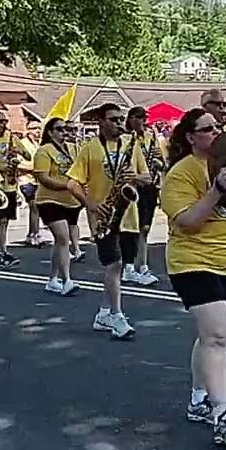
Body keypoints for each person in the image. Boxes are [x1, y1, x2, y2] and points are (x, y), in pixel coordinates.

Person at [161, 107, 226, 447]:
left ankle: (199, 397)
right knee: (218, 334)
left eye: (218, 127)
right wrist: (214, 190)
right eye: (208, 128)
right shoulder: (180, 174)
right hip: (192, 261)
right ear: (191, 137)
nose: (216, 132)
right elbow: (187, 222)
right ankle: (223, 415)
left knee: (209, 336)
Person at [66, 103, 150, 340]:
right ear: (101, 122)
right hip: (104, 217)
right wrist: (91, 204)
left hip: (128, 216)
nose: (118, 123)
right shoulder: (90, 148)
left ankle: (103, 312)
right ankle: (116, 315)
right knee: (113, 265)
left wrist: (135, 177)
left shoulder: (131, 145)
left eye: (120, 119)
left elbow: (147, 176)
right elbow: (72, 182)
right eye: (113, 119)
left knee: (120, 266)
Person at [32, 116, 82, 295]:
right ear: (50, 132)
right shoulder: (44, 151)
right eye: (60, 129)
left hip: (71, 201)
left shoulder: (74, 149)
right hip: (49, 200)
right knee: (63, 237)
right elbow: (43, 178)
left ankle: (52, 279)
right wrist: (67, 185)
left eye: (66, 129)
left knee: (60, 242)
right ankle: (66, 280)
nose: (64, 133)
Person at [0, 105, 28, 270]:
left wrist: (17, 154)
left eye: (5, 121)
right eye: (0, 121)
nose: (3, 124)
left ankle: (2, 251)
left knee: (4, 221)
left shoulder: (12, 138)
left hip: (9, 185)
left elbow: (28, 155)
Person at [125, 106, 162, 286]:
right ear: (131, 119)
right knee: (132, 227)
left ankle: (143, 264)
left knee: (145, 227)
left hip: (150, 185)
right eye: (140, 118)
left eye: (145, 118)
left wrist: (159, 162)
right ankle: (129, 265)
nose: (143, 122)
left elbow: (160, 157)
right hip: (133, 186)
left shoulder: (150, 136)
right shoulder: (125, 138)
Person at [17, 119, 44, 247]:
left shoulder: (38, 145)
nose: (37, 131)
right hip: (26, 180)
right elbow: (18, 163)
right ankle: (33, 234)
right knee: (34, 206)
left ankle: (34, 233)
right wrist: (34, 168)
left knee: (36, 208)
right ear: (28, 130)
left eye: (39, 128)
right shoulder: (22, 144)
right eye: (34, 128)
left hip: (37, 181)